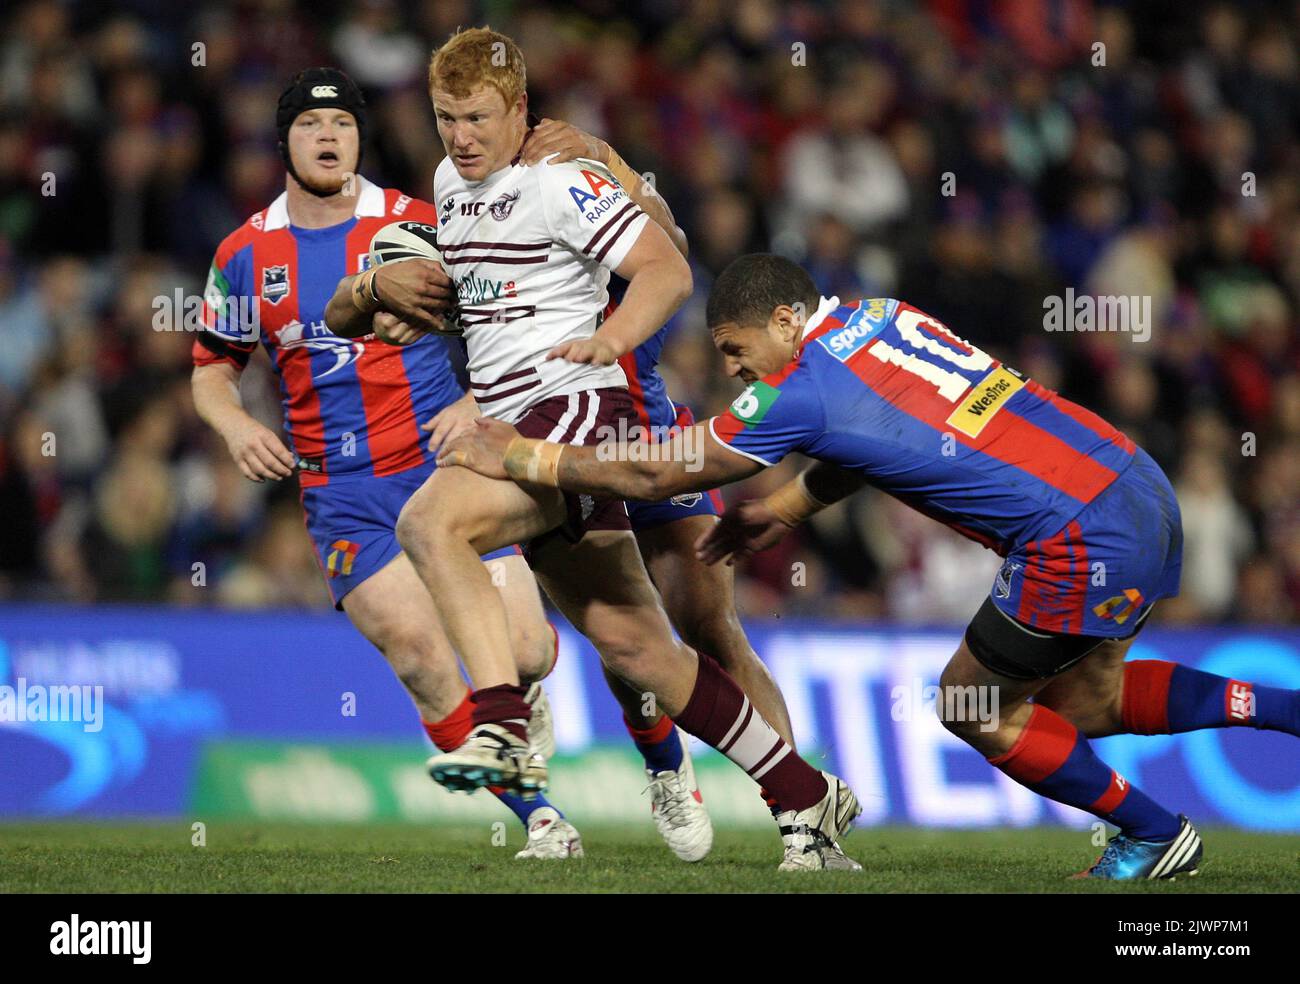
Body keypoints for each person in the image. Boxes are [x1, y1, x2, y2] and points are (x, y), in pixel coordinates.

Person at [442, 252, 1300, 881]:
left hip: (1071, 540)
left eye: (739, 351)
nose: (736, 372)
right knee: (1089, 702)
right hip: (1130, 481)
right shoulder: (883, 316)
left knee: (971, 706)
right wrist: (787, 507)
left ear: (783, 321)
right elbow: (890, 435)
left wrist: (525, 458)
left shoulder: (798, 388)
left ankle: (1152, 834)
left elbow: (658, 471)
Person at [329, 29, 860, 871]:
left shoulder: (561, 178)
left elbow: (668, 268)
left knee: (433, 522)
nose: (460, 137)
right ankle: (804, 792)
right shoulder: (446, 186)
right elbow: (470, 311)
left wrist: (608, 339)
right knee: (636, 646)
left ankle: (501, 723)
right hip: (516, 419)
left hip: (582, 412)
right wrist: (388, 296)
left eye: (476, 118)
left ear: (518, 111)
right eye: (444, 119)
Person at [192, 67, 580, 859]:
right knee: (421, 657)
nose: (327, 137)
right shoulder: (243, 254)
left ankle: (518, 699)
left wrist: (474, 400)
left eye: (341, 125)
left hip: (443, 471)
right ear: (284, 142)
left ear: (361, 138)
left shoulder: (419, 223)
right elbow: (211, 368)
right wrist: (234, 428)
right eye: (309, 126)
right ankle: (541, 819)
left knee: (530, 650)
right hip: (341, 492)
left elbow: (503, 326)